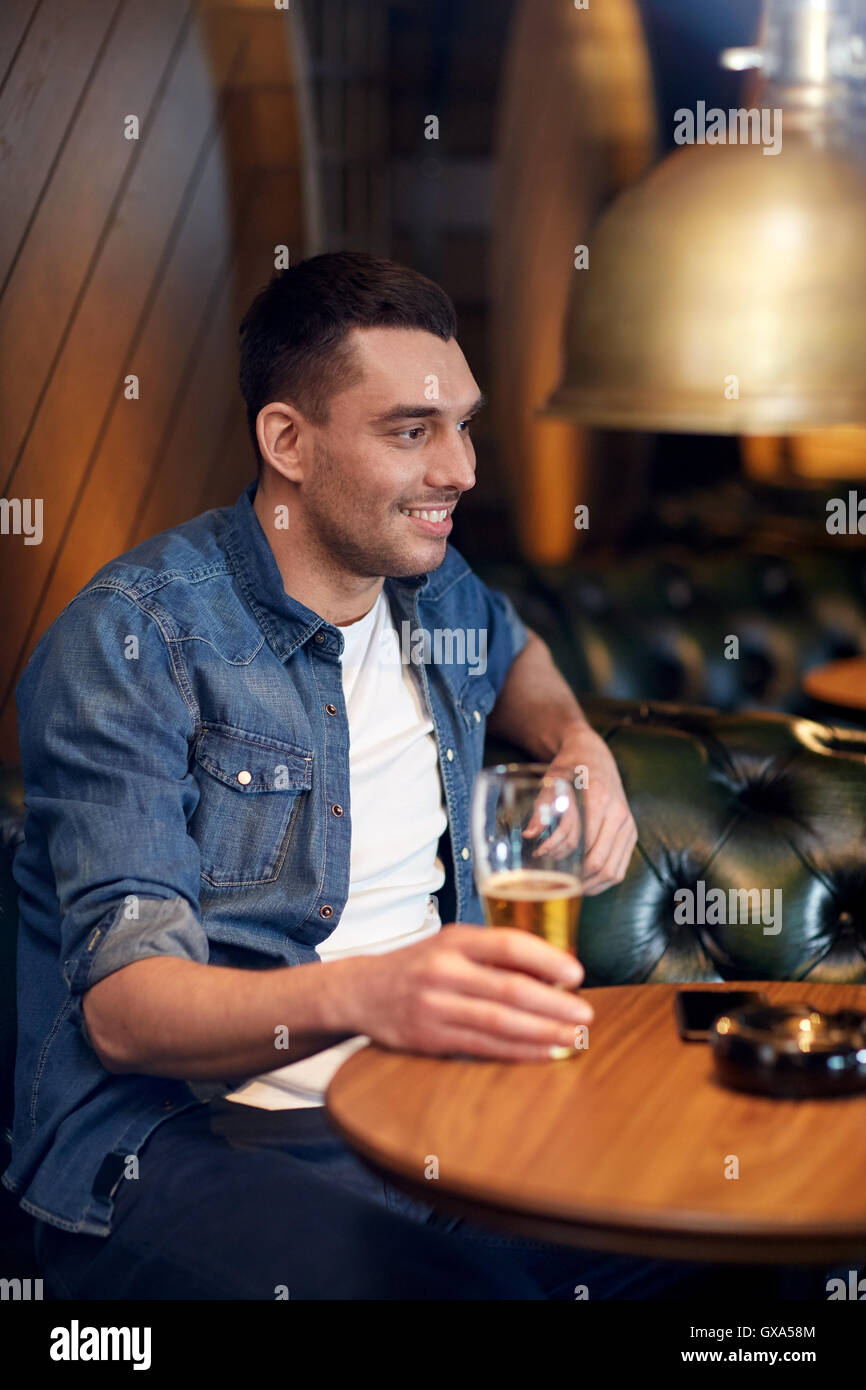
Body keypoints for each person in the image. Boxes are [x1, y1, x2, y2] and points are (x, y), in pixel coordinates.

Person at [5, 250, 748, 1300]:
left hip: (429, 1109)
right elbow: (125, 1012)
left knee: (746, 1244)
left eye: (463, 424)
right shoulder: (135, 637)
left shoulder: (430, 584)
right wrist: (380, 994)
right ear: (287, 441)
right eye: (412, 430)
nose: (462, 469)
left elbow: (515, 649)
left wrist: (578, 744)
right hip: (187, 1138)